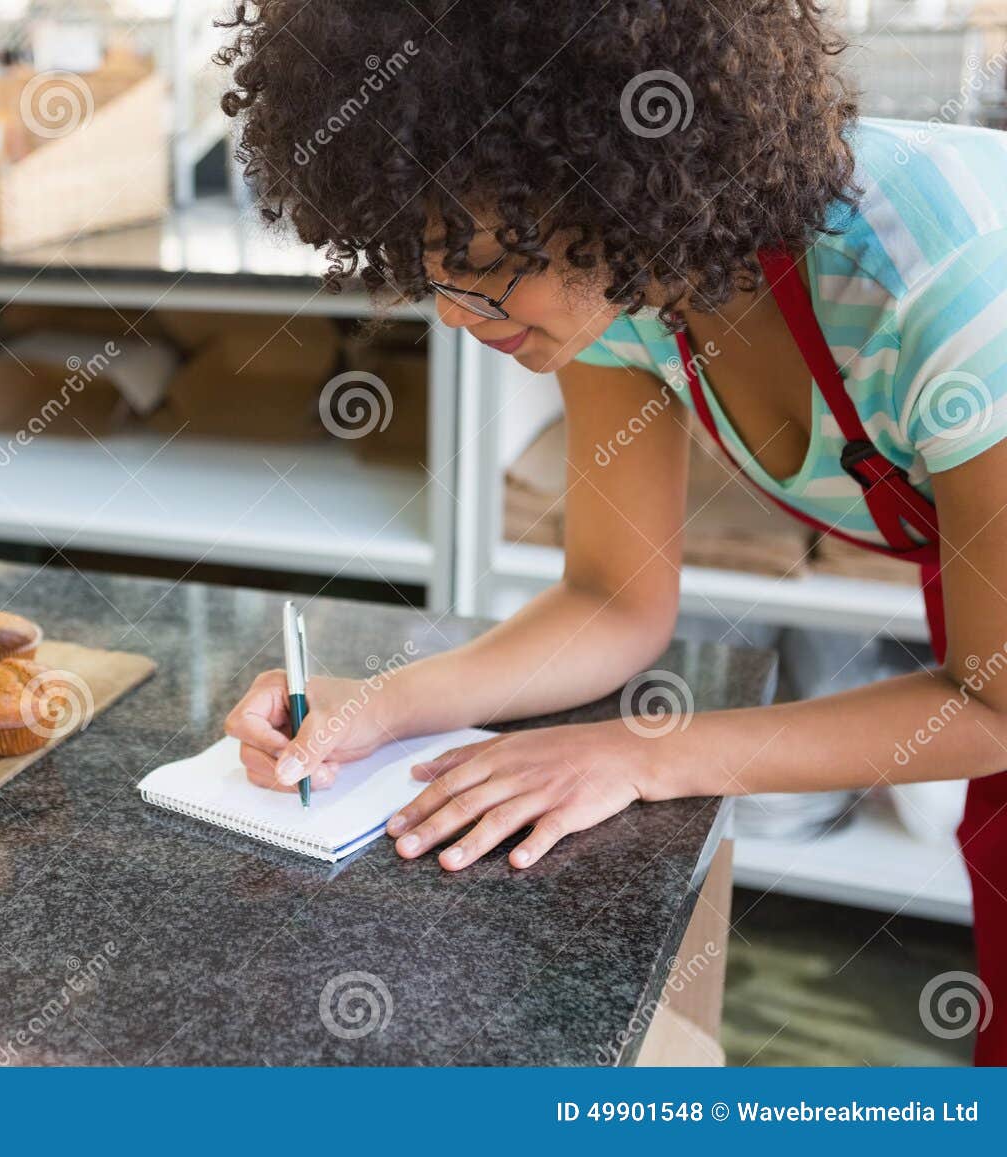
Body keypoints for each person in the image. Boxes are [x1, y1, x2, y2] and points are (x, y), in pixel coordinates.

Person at [215, 1, 1007, 1063]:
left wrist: (644, 754)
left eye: (494, 262)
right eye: (431, 266)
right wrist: (382, 703)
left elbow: (993, 700)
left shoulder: (951, 284)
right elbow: (611, 597)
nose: (456, 312)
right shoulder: (623, 279)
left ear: (630, 176)